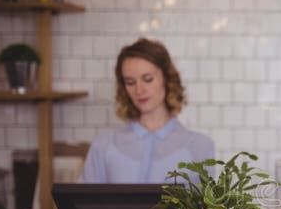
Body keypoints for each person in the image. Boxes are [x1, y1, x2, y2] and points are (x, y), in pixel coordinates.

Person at [79, 38, 214, 183]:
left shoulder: (199, 146)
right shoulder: (103, 145)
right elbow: (82, 203)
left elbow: (204, 205)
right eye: (130, 82)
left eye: (148, 79)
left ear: (167, 78)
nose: (139, 90)